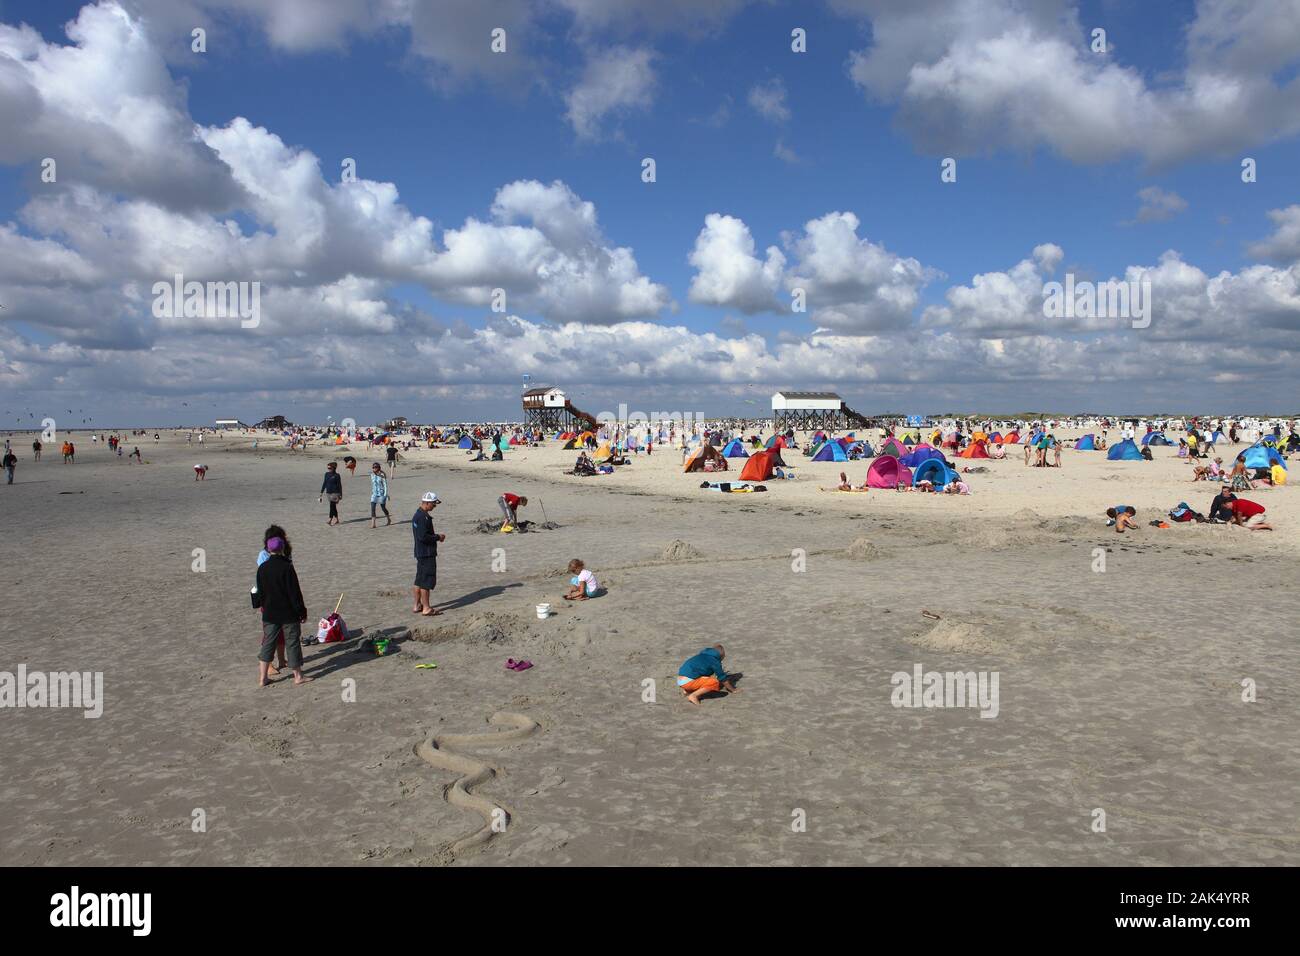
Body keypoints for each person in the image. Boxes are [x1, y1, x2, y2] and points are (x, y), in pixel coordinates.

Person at [252, 535, 311, 687]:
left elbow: (259, 591)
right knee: (292, 643)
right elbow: (294, 593)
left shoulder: (262, 568)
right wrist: (302, 611)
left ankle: (262, 678)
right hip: (288, 613)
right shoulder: (287, 567)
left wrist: (260, 605)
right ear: (282, 549)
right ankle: (297, 676)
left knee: (268, 643)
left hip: (270, 612)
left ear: (268, 550)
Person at [256, 526, 292, 675]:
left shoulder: (286, 553)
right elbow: (263, 578)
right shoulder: (263, 555)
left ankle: (282, 660)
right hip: (269, 598)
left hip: (283, 597)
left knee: (283, 631)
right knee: (270, 633)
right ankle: (267, 664)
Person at [411, 492, 444, 616]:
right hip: (426, 553)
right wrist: (438, 537)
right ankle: (426, 608)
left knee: (419, 579)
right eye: (434, 504)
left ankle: (417, 605)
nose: (434, 506)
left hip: (420, 552)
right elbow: (423, 537)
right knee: (426, 580)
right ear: (426, 503)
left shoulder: (418, 515)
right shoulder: (422, 517)